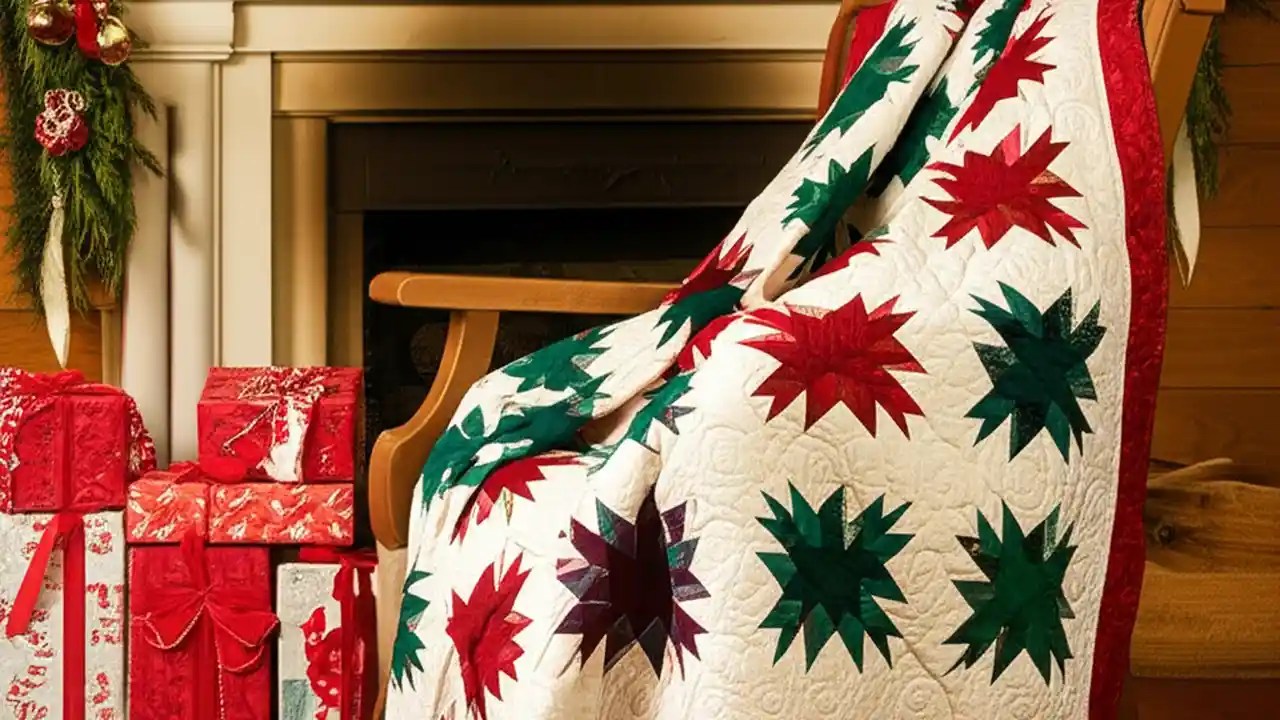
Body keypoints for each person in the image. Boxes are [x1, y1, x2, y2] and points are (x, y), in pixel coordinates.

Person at [384, 0, 1165, 716]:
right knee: (550, 426)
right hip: (798, 333)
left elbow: (1011, 281)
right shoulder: (905, 24)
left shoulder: (1090, 32)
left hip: (913, 342)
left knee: (737, 398)